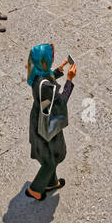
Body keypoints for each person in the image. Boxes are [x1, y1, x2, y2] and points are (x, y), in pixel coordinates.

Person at [26, 44, 76, 201]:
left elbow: (46, 81)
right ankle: (35, 190)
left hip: (37, 120)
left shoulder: (35, 75)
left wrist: (59, 71)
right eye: (50, 57)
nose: (52, 58)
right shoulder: (46, 86)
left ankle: (51, 183)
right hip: (47, 124)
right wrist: (69, 80)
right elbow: (61, 101)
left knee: (49, 155)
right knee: (51, 159)